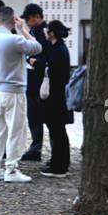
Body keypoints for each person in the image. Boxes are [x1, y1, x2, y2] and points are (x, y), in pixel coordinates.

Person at [0, 6, 42, 183]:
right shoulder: (14, 40)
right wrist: (24, 29)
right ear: (12, 20)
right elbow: (37, 47)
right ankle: (11, 169)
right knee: (16, 131)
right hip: (13, 91)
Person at [38, 20, 73, 177]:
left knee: (58, 131)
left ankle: (60, 165)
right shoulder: (55, 47)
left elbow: (52, 71)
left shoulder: (59, 50)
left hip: (56, 97)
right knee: (55, 131)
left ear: (51, 33)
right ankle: (56, 161)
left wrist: (38, 65)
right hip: (54, 96)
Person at [20, 3, 48, 163]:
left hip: (39, 79)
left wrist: (34, 61)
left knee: (37, 115)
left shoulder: (42, 32)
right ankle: (35, 146)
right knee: (33, 115)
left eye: (29, 19)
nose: (28, 22)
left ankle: (36, 147)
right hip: (32, 79)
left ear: (37, 17)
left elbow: (43, 53)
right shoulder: (34, 31)